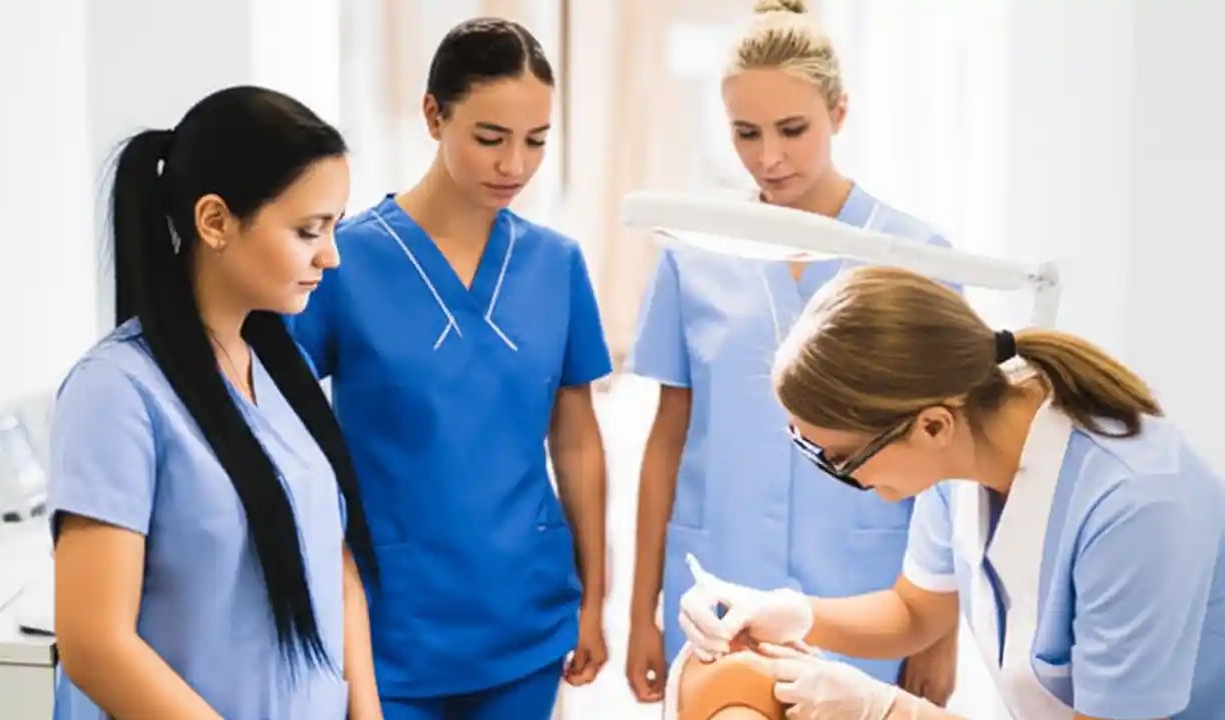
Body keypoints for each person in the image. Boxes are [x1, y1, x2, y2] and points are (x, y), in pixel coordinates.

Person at [679, 265, 1225, 719]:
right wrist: (795, 614)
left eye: (845, 461)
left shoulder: (1138, 508)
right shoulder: (962, 456)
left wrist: (890, 712)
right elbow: (914, 613)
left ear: (933, 426)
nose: (852, 482)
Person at [626, 0, 957, 707]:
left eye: (792, 130)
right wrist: (639, 614)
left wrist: (940, 633)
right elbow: (666, 443)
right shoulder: (694, 254)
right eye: (746, 133)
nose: (768, 156)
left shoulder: (915, 258)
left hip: (871, 591)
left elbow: (953, 457)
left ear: (840, 112)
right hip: (718, 588)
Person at [289, 17, 610, 720]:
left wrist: (596, 598)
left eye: (536, 142)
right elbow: (272, 419)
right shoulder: (344, 260)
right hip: (391, 630)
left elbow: (577, 440)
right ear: (433, 115)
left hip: (526, 621)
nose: (515, 166)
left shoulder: (557, 266)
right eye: (490, 138)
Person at [48, 86, 382, 719]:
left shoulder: (281, 370)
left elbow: (330, 555)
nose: (330, 255)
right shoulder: (116, 393)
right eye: (308, 230)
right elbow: (94, 643)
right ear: (215, 222)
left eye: (334, 226)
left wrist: (365, 710)